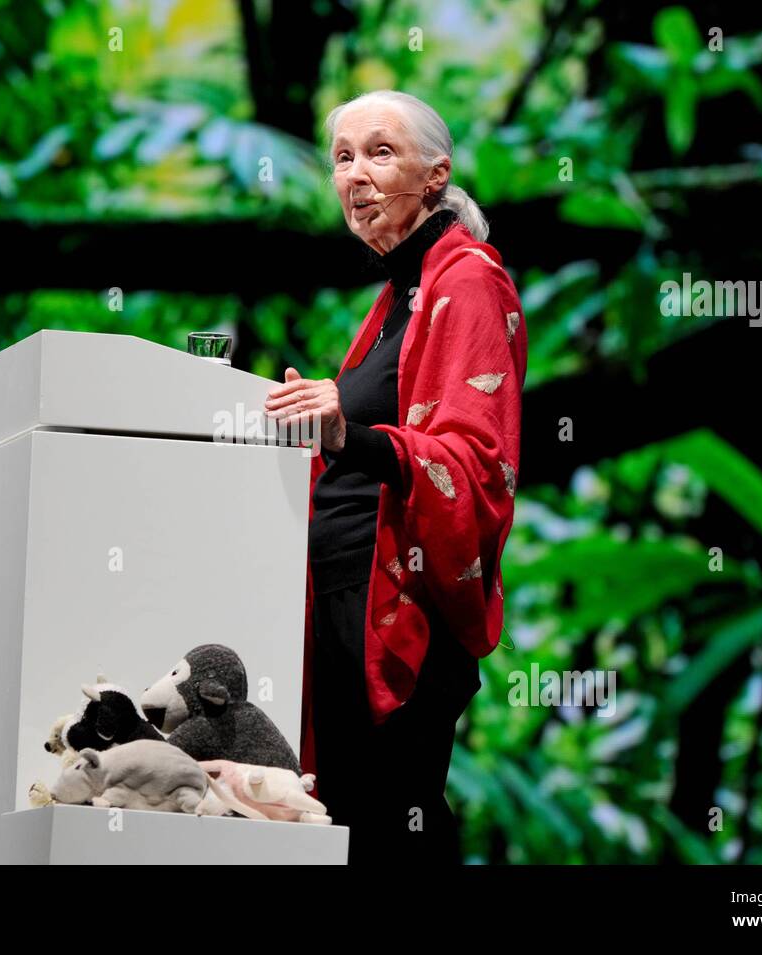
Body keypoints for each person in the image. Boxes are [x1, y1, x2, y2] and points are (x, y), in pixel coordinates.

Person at [263, 90, 527, 864]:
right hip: (339, 591)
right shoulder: (392, 304)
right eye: (343, 158)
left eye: (380, 152)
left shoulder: (470, 281)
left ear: (435, 175)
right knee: (346, 824)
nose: (356, 175)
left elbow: (478, 465)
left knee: (391, 822)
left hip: (397, 602)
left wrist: (350, 430)